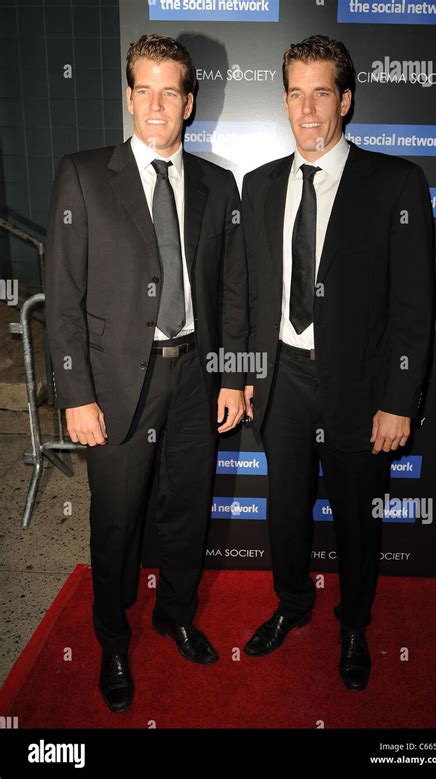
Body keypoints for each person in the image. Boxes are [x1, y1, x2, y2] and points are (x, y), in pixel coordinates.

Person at [45, 34, 247, 712]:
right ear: (129, 95)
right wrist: (75, 395)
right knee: (117, 522)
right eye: (144, 89)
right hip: (115, 384)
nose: (156, 103)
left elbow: (233, 292)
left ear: (189, 104)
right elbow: (64, 297)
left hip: (196, 376)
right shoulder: (82, 174)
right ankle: (111, 637)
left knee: (188, 511)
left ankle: (177, 614)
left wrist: (231, 376)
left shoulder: (219, 185)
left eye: (171, 91)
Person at [241, 35, 434, 690]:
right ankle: (293, 604)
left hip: (360, 386)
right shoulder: (260, 183)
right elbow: (250, 292)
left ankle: (354, 622)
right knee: (285, 512)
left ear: (345, 100)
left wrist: (400, 399)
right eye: (296, 93)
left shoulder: (395, 183)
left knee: (357, 517)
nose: (308, 109)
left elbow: (414, 304)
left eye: (322, 92)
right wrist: (242, 374)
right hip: (283, 380)